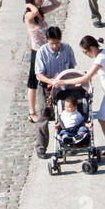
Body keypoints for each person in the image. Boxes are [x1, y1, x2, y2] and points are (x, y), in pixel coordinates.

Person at [53, 36, 105, 163]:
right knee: (101, 118)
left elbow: (85, 78)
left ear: (91, 48)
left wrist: (63, 81)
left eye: (85, 52)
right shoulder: (104, 52)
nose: (86, 55)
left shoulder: (101, 58)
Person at [34, 25, 76, 156]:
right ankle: (41, 147)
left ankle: (67, 143)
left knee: (66, 114)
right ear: (47, 41)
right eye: (52, 44)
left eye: (57, 43)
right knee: (43, 116)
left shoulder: (67, 49)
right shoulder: (42, 52)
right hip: (46, 87)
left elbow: (71, 67)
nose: (55, 46)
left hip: (63, 86)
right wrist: (51, 81)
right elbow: (39, 74)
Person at [23, 0, 61, 122]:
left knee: (49, 79)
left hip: (46, 51)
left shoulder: (40, 12)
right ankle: (31, 112)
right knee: (33, 82)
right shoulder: (29, 15)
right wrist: (28, 4)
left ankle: (49, 107)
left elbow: (57, 4)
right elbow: (32, 12)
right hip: (37, 52)